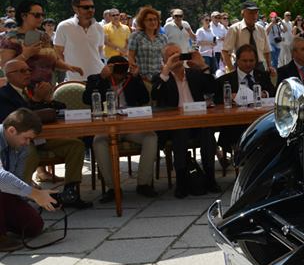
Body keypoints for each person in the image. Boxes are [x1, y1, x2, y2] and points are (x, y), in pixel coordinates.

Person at [0, 60, 91, 208]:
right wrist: (36, 99)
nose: (28, 73)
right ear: (9, 75)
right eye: (22, 71)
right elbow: (13, 122)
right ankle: (19, 197)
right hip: (20, 144)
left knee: (75, 145)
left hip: (41, 139)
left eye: (28, 70)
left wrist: (46, 100)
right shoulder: (3, 95)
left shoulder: (30, 89)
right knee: (28, 152)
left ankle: (70, 193)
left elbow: (53, 110)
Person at [83, 56, 159, 201]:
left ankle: (143, 183)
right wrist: (102, 77)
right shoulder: (95, 79)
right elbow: (86, 99)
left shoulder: (131, 79)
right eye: (116, 71)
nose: (120, 75)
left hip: (130, 126)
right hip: (107, 126)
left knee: (151, 137)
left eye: (122, 71)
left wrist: (136, 78)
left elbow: (143, 99)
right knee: (98, 142)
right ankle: (113, 188)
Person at [151, 44, 219, 198]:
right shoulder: (162, 77)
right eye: (171, 56)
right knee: (180, 134)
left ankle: (210, 178)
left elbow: (212, 88)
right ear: (165, 60)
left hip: (197, 121)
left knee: (207, 133)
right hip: (174, 125)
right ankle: (181, 181)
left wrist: (203, 66)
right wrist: (166, 70)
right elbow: (155, 95)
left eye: (178, 54)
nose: (176, 57)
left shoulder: (194, 74)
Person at [0, 109, 59, 251]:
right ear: (12, 131)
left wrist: (41, 198)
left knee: (33, 226)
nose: (27, 143)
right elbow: (1, 178)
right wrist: (35, 194)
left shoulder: (21, 147)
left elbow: (17, 180)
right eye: (26, 138)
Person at [215, 44, 275, 154]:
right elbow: (217, 101)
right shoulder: (225, 80)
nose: (248, 64)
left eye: (251, 61)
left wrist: (264, 94)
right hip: (235, 124)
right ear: (237, 61)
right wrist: (228, 98)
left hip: (261, 121)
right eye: (244, 61)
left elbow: (273, 92)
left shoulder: (263, 76)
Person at [53, 0, 104, 80]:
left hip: (97, 76)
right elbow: (58, 53)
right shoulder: (64, 26)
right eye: (86, 7)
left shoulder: (99, 27)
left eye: (92, 7)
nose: (90, 10)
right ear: (75, 9)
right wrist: (69, 68)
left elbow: (99, 52)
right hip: (74, 78)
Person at [223, 1, 271, 73]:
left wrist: (269, 67)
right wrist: (232, 70)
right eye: (250, 13)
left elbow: (267, 51)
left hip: (259, 67)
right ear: (243, 13)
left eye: (256, 13)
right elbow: (225, 51)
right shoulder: (234, 29)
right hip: (241, 67)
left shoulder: (261, 30)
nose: (254, 15)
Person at [127, 6, 169, 78]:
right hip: (141, 77)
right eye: (149, 20)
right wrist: (134, 69)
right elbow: (130, 56)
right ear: (143, 22)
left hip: (159, 77)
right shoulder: (136, 36)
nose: (153, 22)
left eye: (155, 19)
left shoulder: (163, 38)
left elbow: (166, 59)